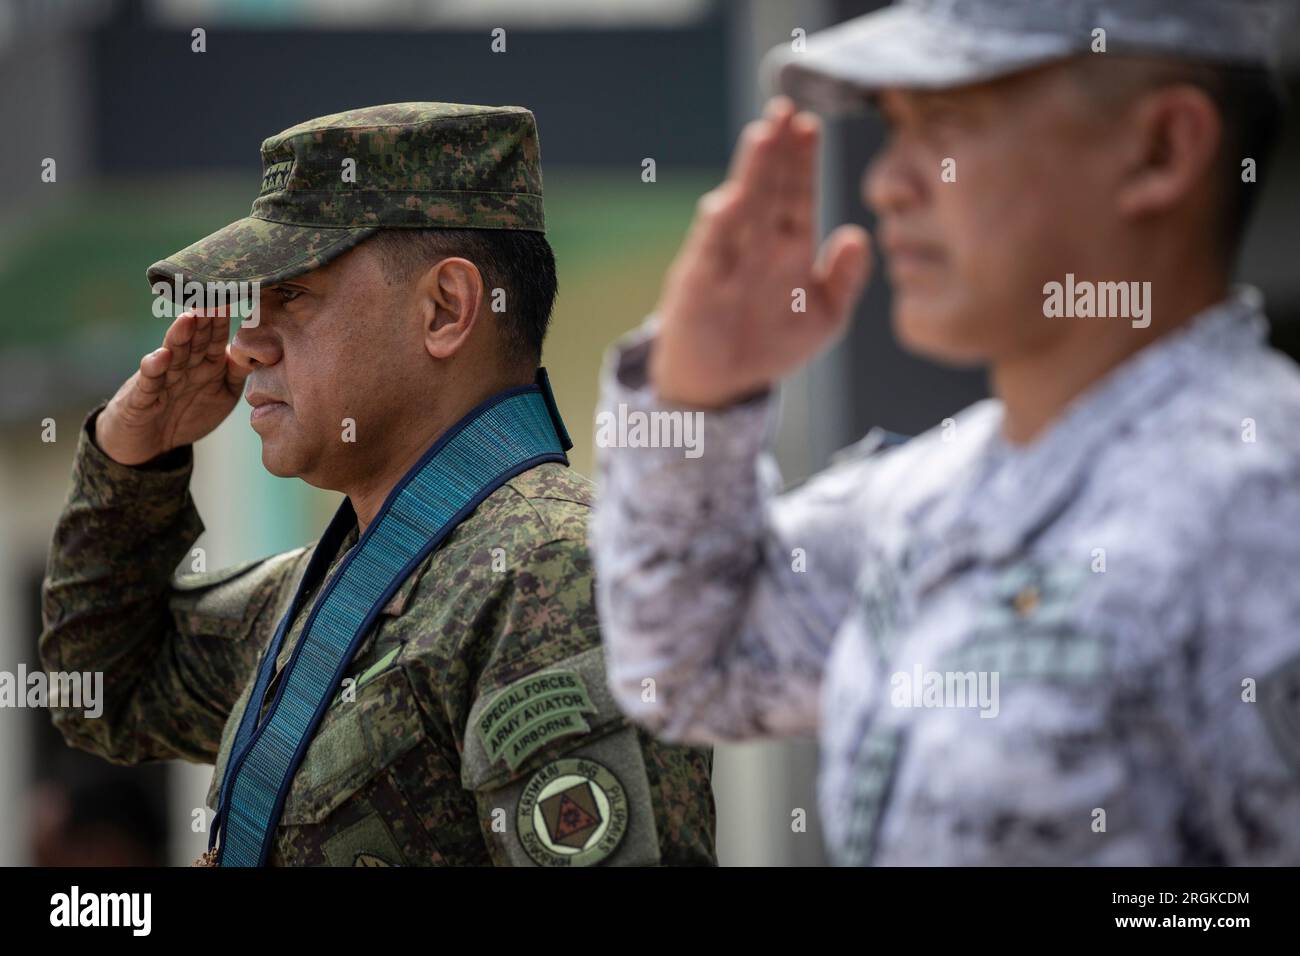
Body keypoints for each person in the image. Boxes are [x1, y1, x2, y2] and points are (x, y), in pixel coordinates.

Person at [591, 0, 1300, 864]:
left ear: (1160, 150)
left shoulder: (1267, 515)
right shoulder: (941, 491)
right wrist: (696, 401)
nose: (887, 182)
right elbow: (688, 669)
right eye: (895, 126)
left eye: (950, 124)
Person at [40, 102, 716, 867]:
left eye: (290, 294)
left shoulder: (549, 568)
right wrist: (131, 464)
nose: (248, 340)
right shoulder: (332, 587)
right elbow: (103, 690)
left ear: (447, 308)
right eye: (249, 300)